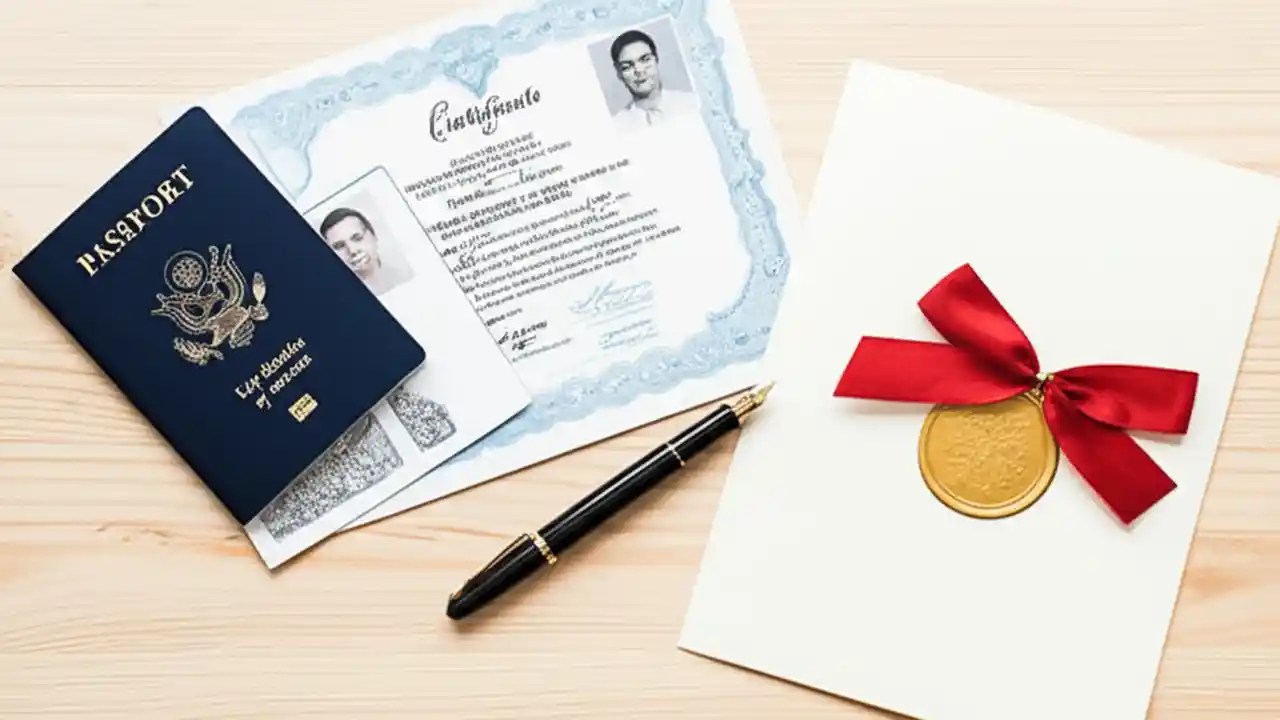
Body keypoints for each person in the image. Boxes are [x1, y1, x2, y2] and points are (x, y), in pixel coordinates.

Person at [608, 29, 698, 130]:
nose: (639, 70)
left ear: (656, 59)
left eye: (645, 60)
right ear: (619, 73)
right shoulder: (618, 126)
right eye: (627, 67)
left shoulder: (692, 103)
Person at [318, 207, 410, 296]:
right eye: (339, 246)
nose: (352, 250)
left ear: (373, 235)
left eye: (357, 238)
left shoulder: (404, 275)